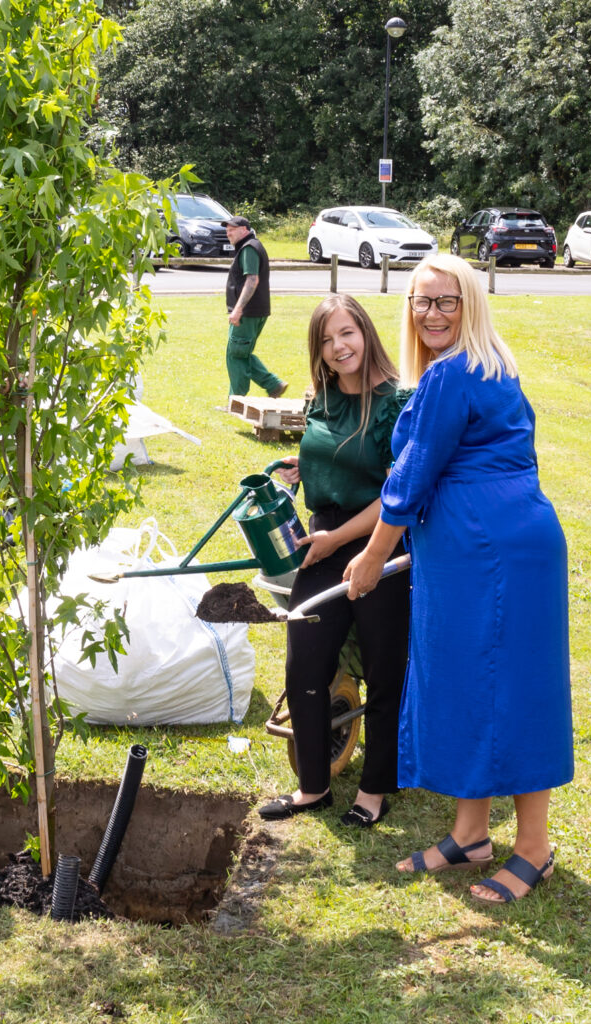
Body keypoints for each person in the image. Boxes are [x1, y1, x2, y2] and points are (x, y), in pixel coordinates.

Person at [345, 252, 571, 904]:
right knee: (473, 683)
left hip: (490, 556)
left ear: (470, 306)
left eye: (447, 301)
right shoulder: (492, 367)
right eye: (422, 300)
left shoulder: (454, 375)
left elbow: (408, 483)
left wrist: (368, 560)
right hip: (490, 550)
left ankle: (533, 849)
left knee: (512, 692)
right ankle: (471, 833)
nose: (433, 312)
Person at [256, 295, 410, 828]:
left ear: (365, 333)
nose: (338, 346)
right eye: (326, 339)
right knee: (305, 661)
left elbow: (397, 488)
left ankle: (374, 791)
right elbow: (336, 450)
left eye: (346, 333)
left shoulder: (396, 401)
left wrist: (341, 535)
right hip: (322, 540)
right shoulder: (320, 399)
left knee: (384, 667)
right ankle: (313, 787)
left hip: (381, 544)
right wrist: (308, 464)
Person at [223, 215, 287, 398]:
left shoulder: (249, 248)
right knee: (241, 353)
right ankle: (274, 385)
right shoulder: (250, 246)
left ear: (244, 230)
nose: (228, 233)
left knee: (236, 354)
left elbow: (252, 279)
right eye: (227, 230)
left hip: (247, 313)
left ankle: (237, 400)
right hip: (255, 311)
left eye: (232, 229)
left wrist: (238, 308)